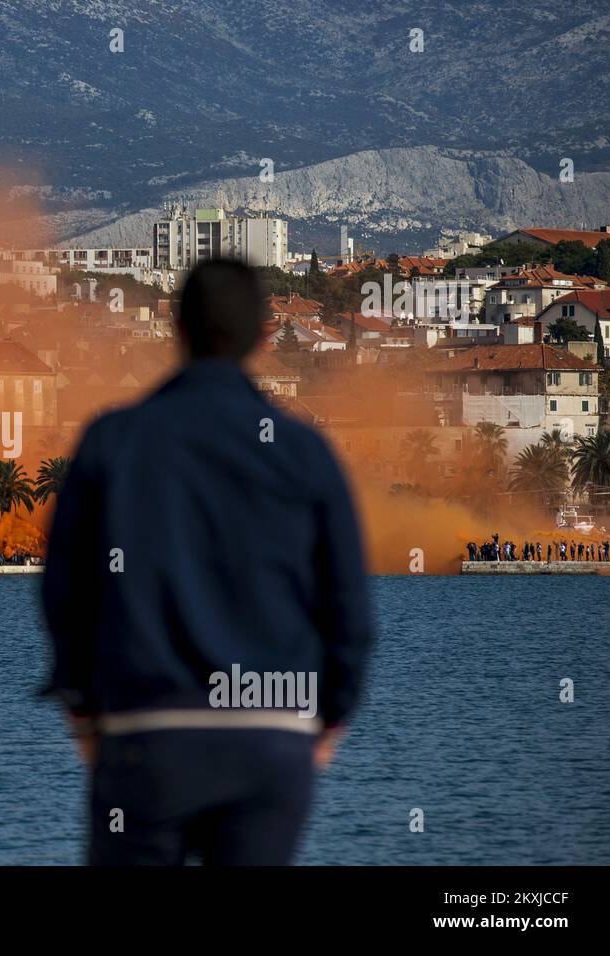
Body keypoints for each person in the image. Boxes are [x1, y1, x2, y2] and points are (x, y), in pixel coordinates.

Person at [42, 259, 374, 866]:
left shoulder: (113, 440)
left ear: (177, 329)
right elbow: (349, 605)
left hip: (146, 738)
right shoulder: (304, 451)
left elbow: (64, 592)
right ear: (265, 337)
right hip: (273, 740)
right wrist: (330, 718)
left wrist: (84, 709)